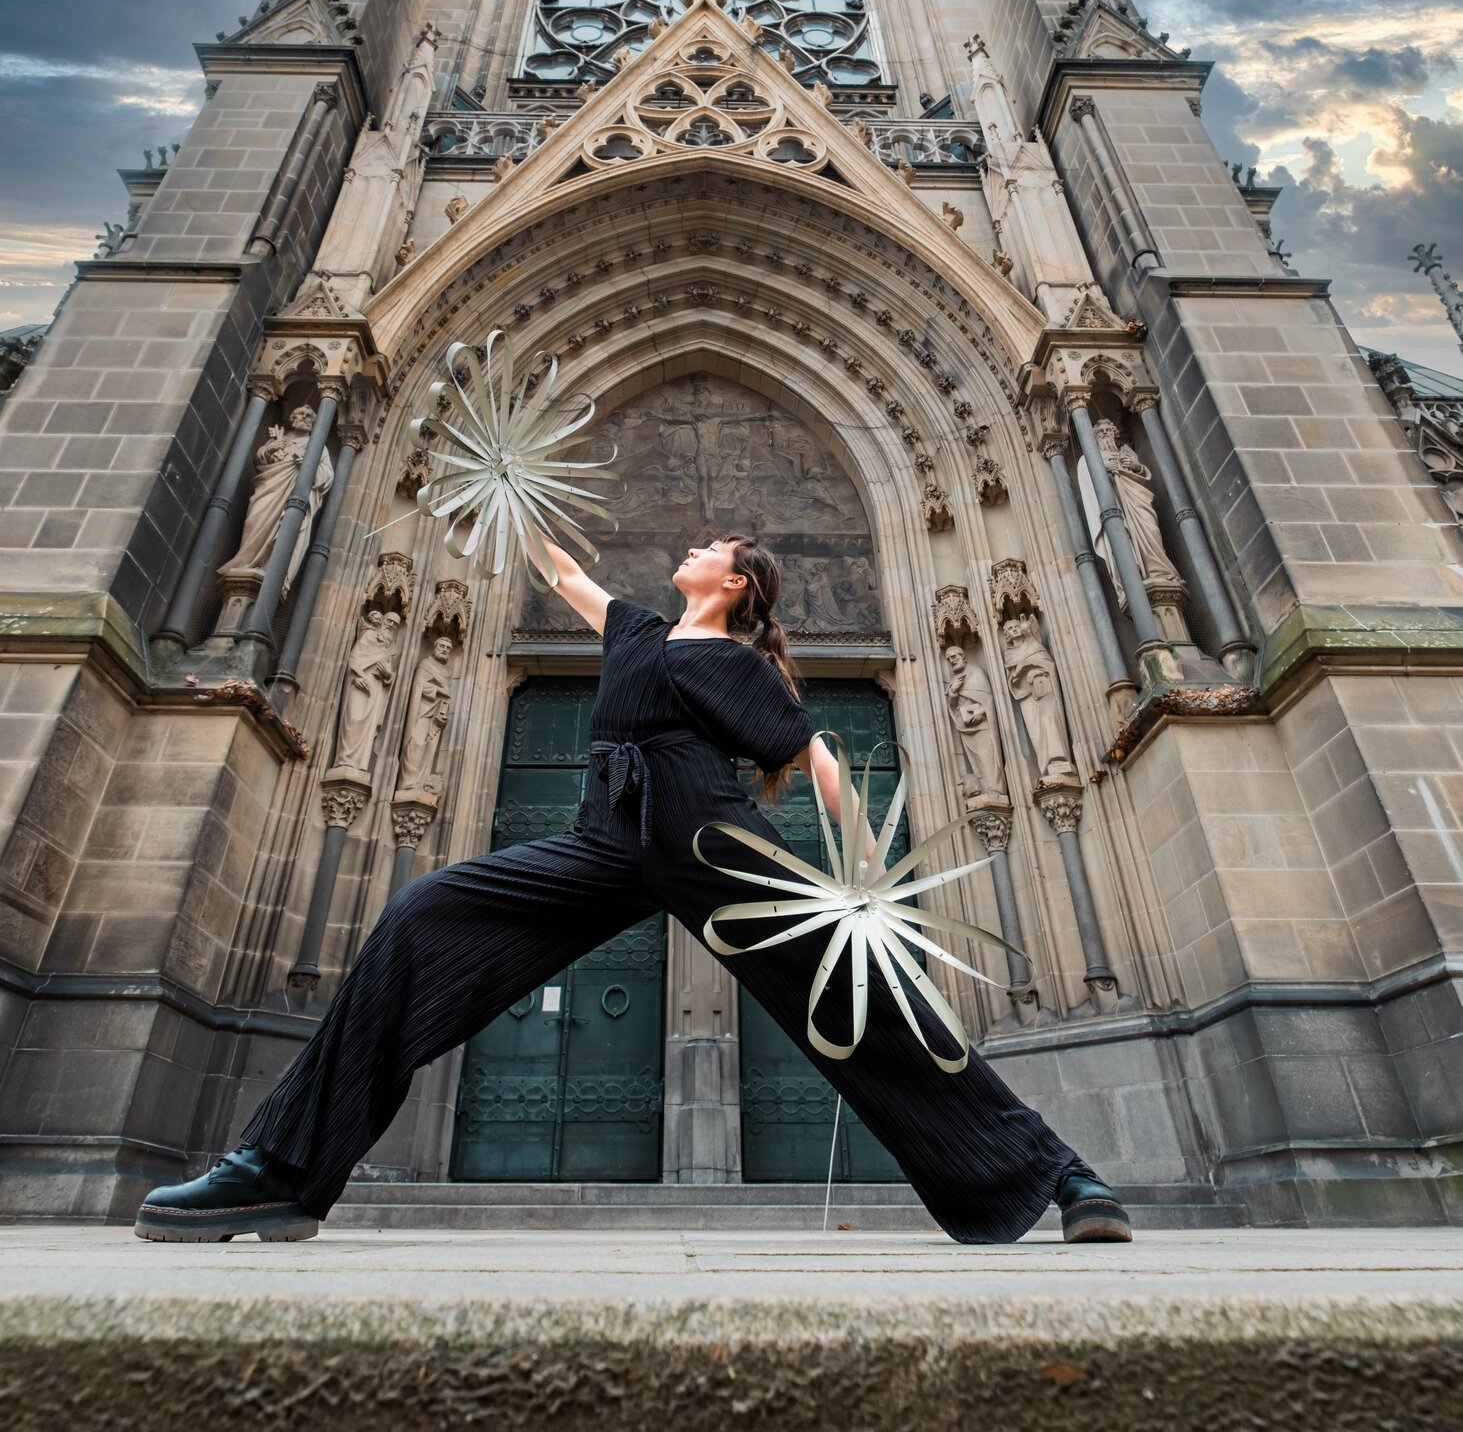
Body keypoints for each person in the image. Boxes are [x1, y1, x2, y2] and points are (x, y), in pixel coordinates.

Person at [134, 534, 1131, 1246]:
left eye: (707, 544)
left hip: (716, 844)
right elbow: (563, 569)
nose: (687, 546)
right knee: (417, 914)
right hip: (603, 846)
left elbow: (816, 754)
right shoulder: (636, 628)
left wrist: (860, 868)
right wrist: (509, 486)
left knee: (868, 1000)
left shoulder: (732, 661)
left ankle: (1057, 1170)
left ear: (732, 580)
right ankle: (282, 1171)